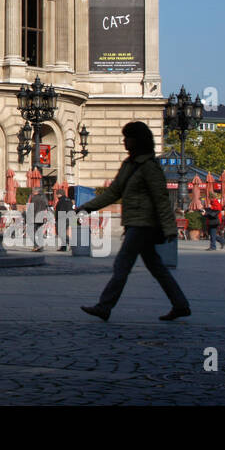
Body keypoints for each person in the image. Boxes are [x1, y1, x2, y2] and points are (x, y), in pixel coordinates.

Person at [78, 121, 191, 322]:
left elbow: (161, 198)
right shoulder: (129, 165)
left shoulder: (149, 167)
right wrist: (88, 206)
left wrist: (169, 227)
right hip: (135, 224)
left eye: (128, 137)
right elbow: (114, 192)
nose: (124, 141)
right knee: (156, 267)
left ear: (138, 140)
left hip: (143, 225)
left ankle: (104, 306)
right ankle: (180, 304)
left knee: (122, 264)